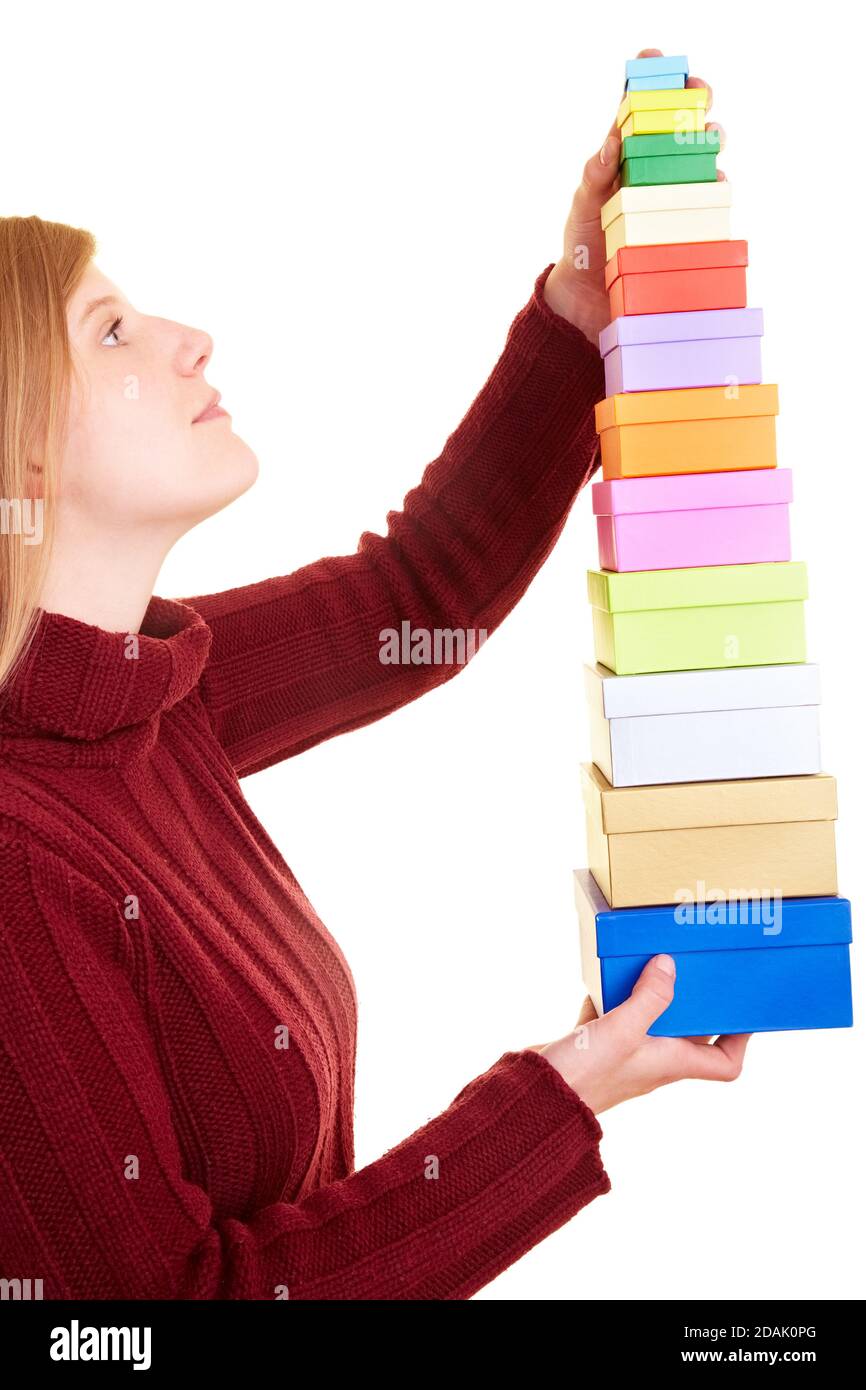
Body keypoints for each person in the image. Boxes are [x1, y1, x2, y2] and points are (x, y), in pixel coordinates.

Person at [0, 51, 749, 1301]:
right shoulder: (20, 860)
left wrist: (578, 318)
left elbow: (417, 600)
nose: (192, 341)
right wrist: (561, 1092)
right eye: (113, 330)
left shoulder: (147, 694)